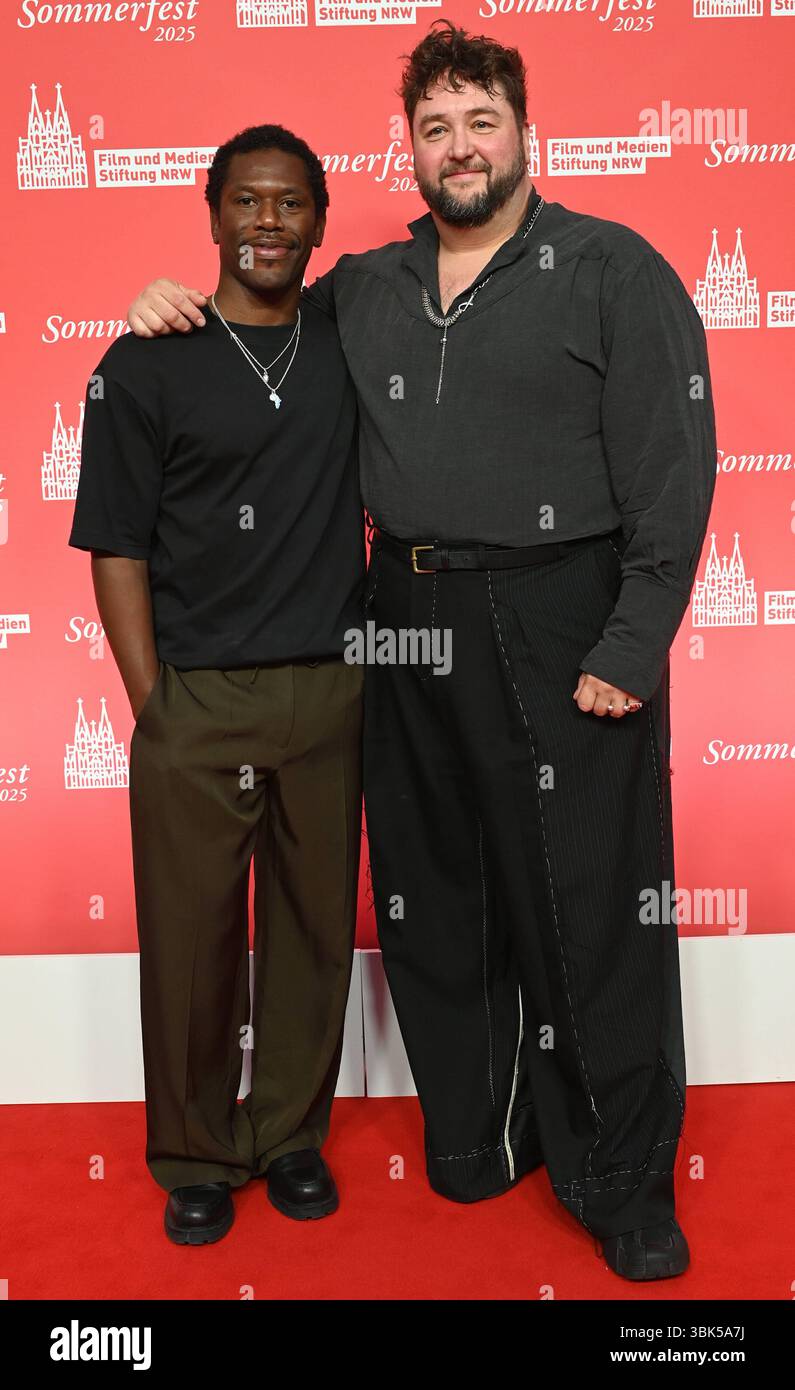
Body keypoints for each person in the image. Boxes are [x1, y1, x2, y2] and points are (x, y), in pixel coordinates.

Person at [122, 20, 717, 1280]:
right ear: (409, 149)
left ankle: (620, 1179)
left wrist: (636, 636)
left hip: (565, 610)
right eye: (435, 127)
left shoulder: (613, 268)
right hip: (401, 614)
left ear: (522, 132)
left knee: (585, 902)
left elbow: (675, 472)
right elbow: (255, 315)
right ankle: (481, 1136)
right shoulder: (368, 289)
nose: (459, 147)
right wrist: (157, 302)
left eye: (481, 122)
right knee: (442, 894)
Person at [68, 125, 366, 1245]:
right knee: (192, 940)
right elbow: (115, 545)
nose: (268, 225)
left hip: (334, 690)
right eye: (246, 203)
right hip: (197, 698)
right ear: (210, 215)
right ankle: (193, 1149)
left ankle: (287, 1135)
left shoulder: (347, 328)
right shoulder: (145, 360)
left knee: (312, 927)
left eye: (291, 205)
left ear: (321, 223)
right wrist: (156, 706)